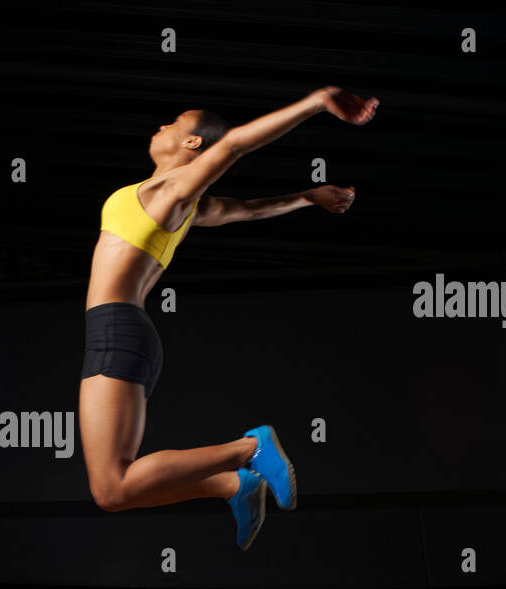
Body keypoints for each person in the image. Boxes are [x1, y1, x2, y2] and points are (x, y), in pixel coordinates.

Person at [79, 86, 379, 548]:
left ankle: (248, 448)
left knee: (113, 488)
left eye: (174, 121)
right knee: (112, 492)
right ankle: (233, 484)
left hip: (116, 328)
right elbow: (247, 209)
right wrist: (305, 197)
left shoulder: (174, 191)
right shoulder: (178, 203)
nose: (162, 125)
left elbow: (236, 142)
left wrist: (317, 101)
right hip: (120, 331)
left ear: (193, 143)